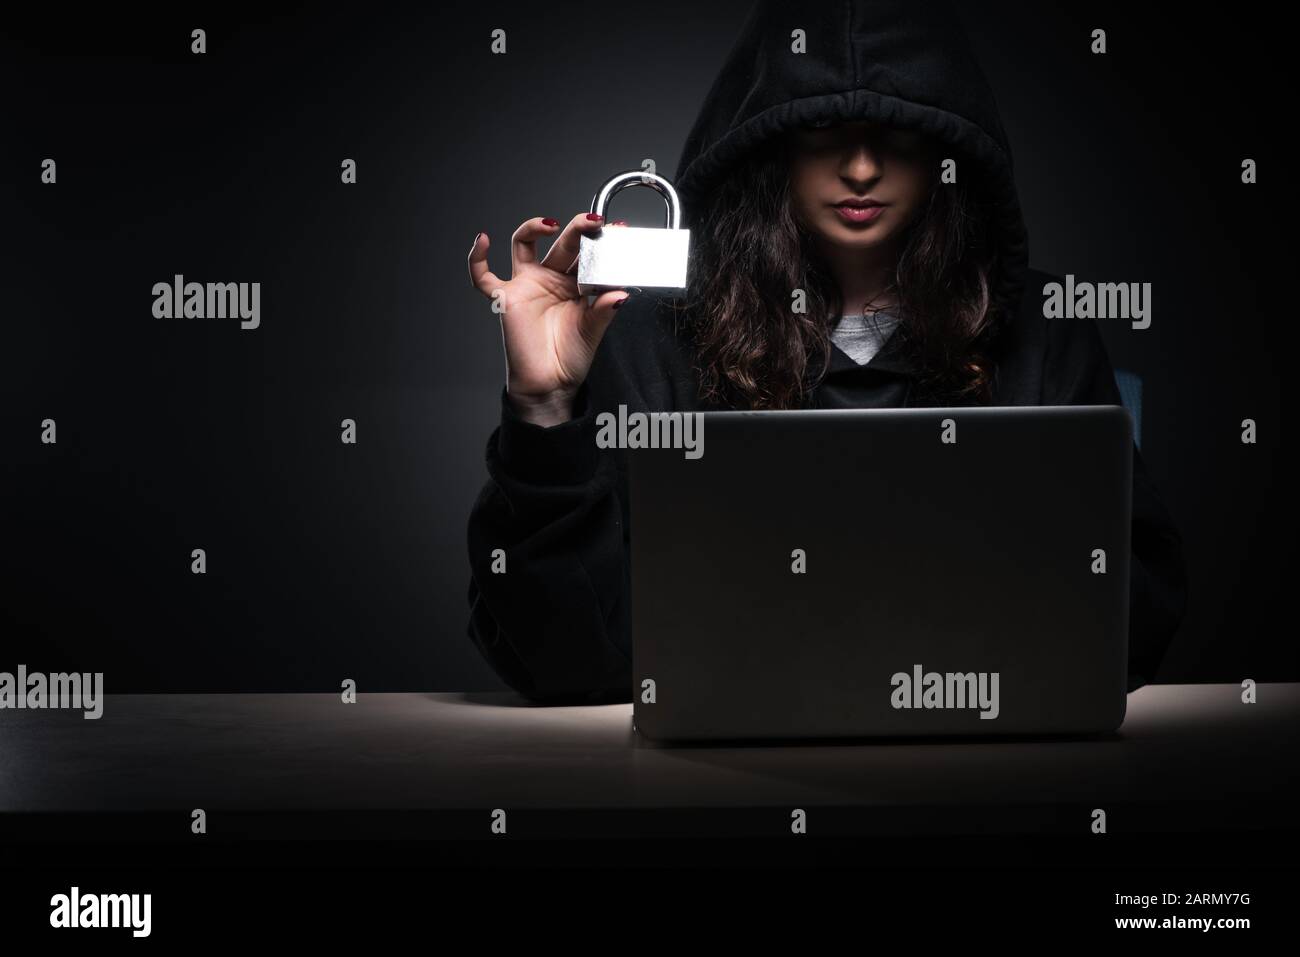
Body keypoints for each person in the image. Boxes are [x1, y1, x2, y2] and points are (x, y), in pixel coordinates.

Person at [464, 0, 1187, 703]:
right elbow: (563, 661)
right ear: (771, 142)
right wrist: (544, 406)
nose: (863, 168)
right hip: (712, 794)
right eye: (825, 130)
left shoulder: (1047, 329)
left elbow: (1134, 622)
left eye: (897, 131)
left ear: (947, 147)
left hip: (991, 771)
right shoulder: (648, 336)